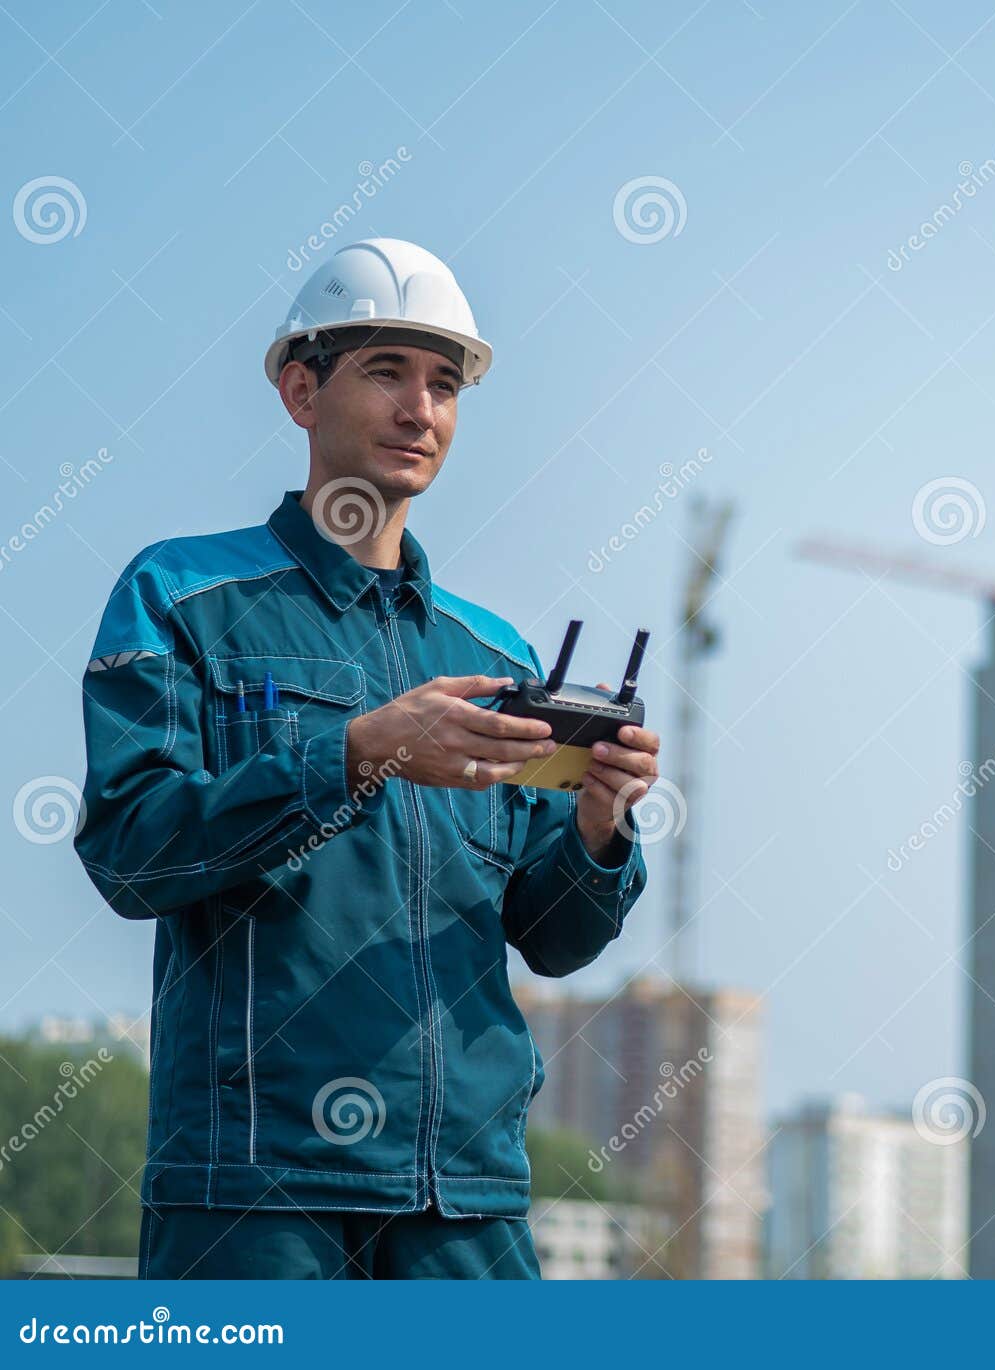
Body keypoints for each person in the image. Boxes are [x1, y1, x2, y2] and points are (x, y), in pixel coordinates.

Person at [72, 238, 660, 1279]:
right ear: (301, 390)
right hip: (256, 1191)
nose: (419, 409)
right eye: (385, 371)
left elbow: (552, 939)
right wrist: (356, 751)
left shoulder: (492, 657)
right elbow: (132, 850)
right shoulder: (181, 596)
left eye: (443, 384)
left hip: (466, 1200)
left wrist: (598, 827)